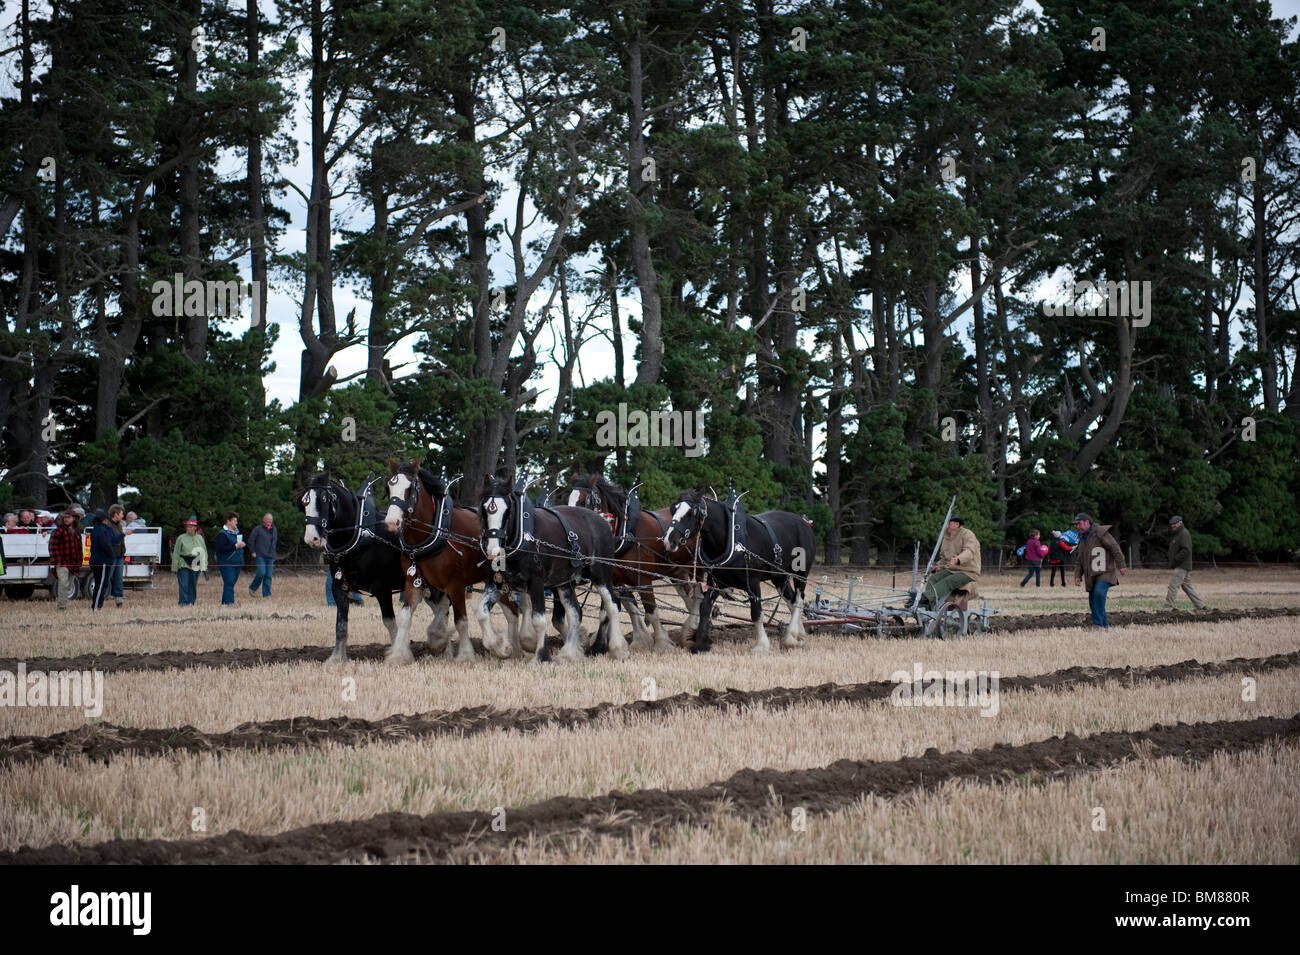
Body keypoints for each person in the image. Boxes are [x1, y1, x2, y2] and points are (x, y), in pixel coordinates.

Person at [1073, 512, 1126, 628]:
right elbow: (1079, 560)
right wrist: (1077, 575)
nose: (1077, 526)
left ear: (1087, 522)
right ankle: (1104, 626)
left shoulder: (1100, 532)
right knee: (1093, 601)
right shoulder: (1081, 538)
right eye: (1076, 524)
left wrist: (1121, 564)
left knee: (1098, 593)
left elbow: (1114, 547)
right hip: (1091, 575)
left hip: (1105, 572)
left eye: (1079, 524)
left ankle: (1097, 625)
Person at [923, 516, 981, 609]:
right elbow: (943, 558)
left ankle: (925, 599)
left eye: (948, 524)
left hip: (968, 572)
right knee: (933, 579)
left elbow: (969, 552)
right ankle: (929, 606)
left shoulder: (967, 534)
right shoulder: (946, 538)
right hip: (951, 570)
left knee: (948, 581)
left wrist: (958, 559)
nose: (946, 527)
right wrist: (936, 567)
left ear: (956, 524)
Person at [90, 505, 132, 610]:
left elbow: (113, 540)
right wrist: (112, 554)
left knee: (117, 579)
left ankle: (117, 601)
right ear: (115, 514)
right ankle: (97, 605)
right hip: (108, 558)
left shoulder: (118, 526)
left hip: (117, 556)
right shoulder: (105, 528)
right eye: (121, 513)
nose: (123, 515)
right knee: (104, 582)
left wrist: (123, 535)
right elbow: (109, 542)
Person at [1166, 515, 1210, 612]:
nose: (1172, 525)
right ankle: (1201, 606)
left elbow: (1186, 550)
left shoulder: (1184, 533)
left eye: (1174, 524)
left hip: (1181, 565)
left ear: (1180, 523)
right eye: (1171, 524)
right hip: (1181, 565)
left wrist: (1176, 560)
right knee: (1187, 587)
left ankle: (1168, 607)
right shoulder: (1178, 534)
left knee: (1173, 586)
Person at [47, 509, 83, 610]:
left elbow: (80, 549)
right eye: (65, 517)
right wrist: (57, 561)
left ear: (74, 519)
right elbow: (52, 547)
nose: (66, 519)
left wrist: (79, 563)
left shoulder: (77, 533)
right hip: (62, 563)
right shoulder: (58, 531)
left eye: (69, 517)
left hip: (74, 563)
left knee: (69, 585)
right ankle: (61, 607)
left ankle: (63, 603)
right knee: (63, 583)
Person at [171, 516, 208, 606]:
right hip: (183, 562)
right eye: (187, 527)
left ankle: (191, 603)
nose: (189, 528)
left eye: (191, 527)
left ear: (195, 528)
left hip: (195, 563)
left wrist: (204, 566)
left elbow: (204, 552)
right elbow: (176, 552)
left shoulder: (200, 538)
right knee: (184, 584)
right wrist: (175, 567)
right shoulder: (181, 538)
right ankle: (183, 603)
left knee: (193, 584)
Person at [213, 511, 246, 605]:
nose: (236, 523)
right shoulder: (222, 534)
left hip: (237, 562)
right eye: (235, 520)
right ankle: (229, 603)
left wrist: (242, 545)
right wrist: (235, 546)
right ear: (228, 521)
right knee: (229, 582)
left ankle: (225, 603)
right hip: (227, 563)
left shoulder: (237, 532)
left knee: (230, 584)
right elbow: (222, 549)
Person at [247, 513, 278, 597]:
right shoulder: (258, 529)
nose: (269, 521)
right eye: (267, 520)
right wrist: (253, 551)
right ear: (264, 520)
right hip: (260, 555)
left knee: (268, 576)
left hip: (270, 556)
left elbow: (274, 542)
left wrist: (273, 554)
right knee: (261, 573)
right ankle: (252, 588)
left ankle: (267, 594)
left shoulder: (274, 529)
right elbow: (251, 540)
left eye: (271, 520)